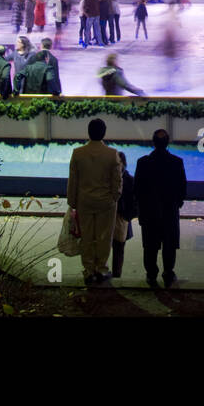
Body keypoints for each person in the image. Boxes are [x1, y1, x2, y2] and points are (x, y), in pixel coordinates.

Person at [67, 118, 123, 285]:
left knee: (86, 236)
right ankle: (101, 268)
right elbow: (117, 181)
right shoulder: (112, 154)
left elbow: (73, 180)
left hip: (84, 201)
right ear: (104, 133)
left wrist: (72, 202)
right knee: (104, 237)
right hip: (106, 203)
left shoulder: (78, 153)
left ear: (89, 132)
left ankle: (89, 269)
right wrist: (115, 197)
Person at [135, 128, 187, 289]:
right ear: (167, 143)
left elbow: (137, 189)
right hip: (169, 211)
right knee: (169, 245)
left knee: (150, 246)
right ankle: (168, 272)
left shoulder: (143, 162)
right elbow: (182, 188)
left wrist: (141, 208)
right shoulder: (176, 162)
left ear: (153, 142)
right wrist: (177, 203)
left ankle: (151, 274)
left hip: (149, 211)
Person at [111, 151, 138, 279]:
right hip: (111, 217)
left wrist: (127, 216)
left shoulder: (130, 180)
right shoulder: (127, 179)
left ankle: (116, 274)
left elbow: (135, 202)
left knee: (118, 248)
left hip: (121, 218)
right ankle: (108, 273)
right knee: (111, 248)